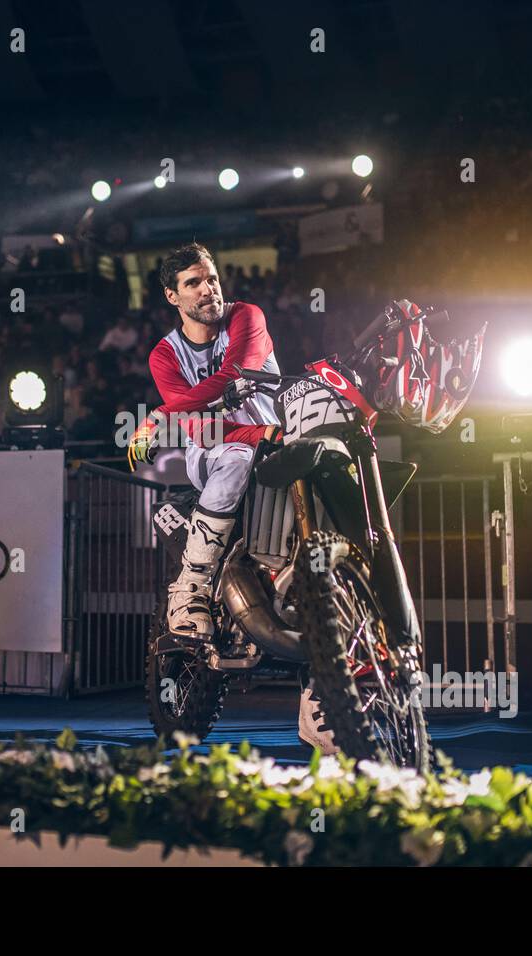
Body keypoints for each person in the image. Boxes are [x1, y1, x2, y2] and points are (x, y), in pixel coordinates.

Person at [128, 242, 337, 754]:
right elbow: (199, 422)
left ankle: (321, 707)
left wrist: (161, 413)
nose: (208, 289)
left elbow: (236, 374)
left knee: (312, 561)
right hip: (218, 450)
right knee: (233, 457)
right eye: (194, 283)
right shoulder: (164, 354)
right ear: (171, 296)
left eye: (212, 278)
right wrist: (236, 432)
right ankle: (192, 587)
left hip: (277, 445)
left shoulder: (246, 316)